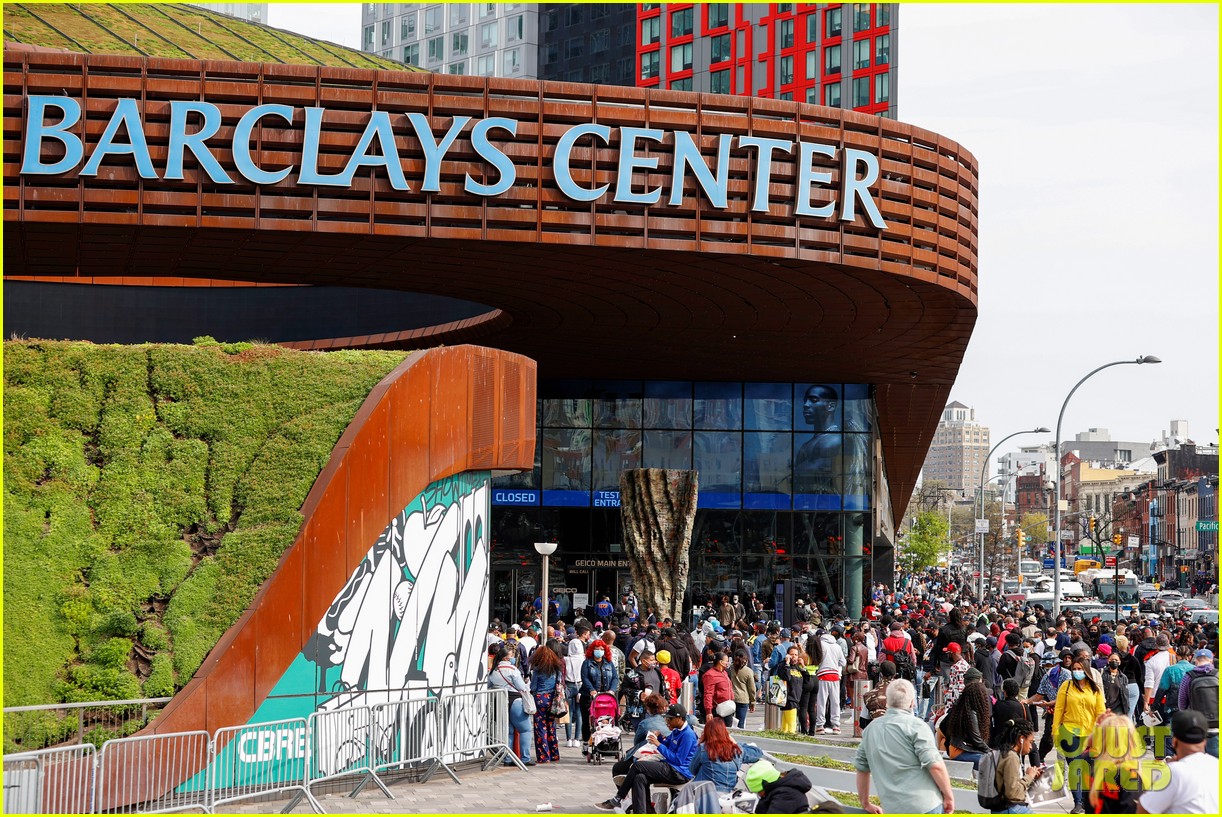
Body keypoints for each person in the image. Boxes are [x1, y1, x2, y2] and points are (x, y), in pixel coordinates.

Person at [854, 678, 957, 814]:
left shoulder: (870, 730)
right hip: (926, 805)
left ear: (887, 701)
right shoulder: (917, 726)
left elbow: (862, 768)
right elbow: (935, 765)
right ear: (912, 703)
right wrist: (949, 796)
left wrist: (865, 802)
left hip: (892, 808)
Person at [596, 703, 698, 813]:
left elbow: (678, 760)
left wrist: (658, 744)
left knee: (638, 765)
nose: (667, 722)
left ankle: (618, 798)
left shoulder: (687, 735)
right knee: (639, 778)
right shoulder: (676, 730)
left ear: (679, 719)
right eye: (666, 718)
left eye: (670, 719)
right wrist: (659, 737)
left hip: (679, 772)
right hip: (670, 767)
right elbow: (667, 745)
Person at [1136, 710, 1219, 813]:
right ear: (1204, 741)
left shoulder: (1174, 772)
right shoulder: (1216, 765)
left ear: (1174, 741)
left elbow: (1144, 810)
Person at [1053, 657, 1106, 813]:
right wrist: (1055, 730)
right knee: (1075, 767)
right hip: (1070, 732)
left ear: (1086, 670)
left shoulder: (1094, 689)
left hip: (1090, 735)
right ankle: (1078, 802)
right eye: (1074, 669)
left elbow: (1100, 712)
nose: (1077, 672)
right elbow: (1058, 709)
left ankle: (1086, 800)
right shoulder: (1066, 686)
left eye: (1079, 669)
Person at [1086, 713, 1147, 814]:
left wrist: (1099, 727)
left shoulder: (1091, 764)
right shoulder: (1129, 776)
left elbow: (1086, 748)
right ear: (1131, 740)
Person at [488, 643, 535, 766]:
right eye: (511, 656)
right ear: (506, 658)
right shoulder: (513, 670)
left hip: (500, 702)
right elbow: (521, 687)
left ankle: (507, 758)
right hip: (515, 701)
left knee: (508, 731)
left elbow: (489, 686)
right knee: (525, 730)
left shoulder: (493, 671)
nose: (514, 657)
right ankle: (525, 758)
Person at [610, 693, 670, 785]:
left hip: (651, 757)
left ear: (648, 709)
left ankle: (624, 796)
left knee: (617, 768)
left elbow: (636, 742)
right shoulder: (669, 721)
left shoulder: (645, 723)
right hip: (666, 756)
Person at [940, 670, 992, 770]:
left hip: (959, 749)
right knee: (993, 762)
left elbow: (942, 726)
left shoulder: (961, 706)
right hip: (961, 751)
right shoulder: (971, 713)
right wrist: (992, 752)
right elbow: (977, 739)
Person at [989, 717, 1043, 813]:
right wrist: (1028, 777)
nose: (1031, 747)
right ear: (1021, 739)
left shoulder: (1003, 752)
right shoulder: (1011, 757)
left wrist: (1031, 776)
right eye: (1030, 742)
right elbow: (1012, 793)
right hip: (1010, 808)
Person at [528, 638, 566, 763]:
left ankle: (544, 756)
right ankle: (554, 754)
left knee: (540, 727)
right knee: (551, 726)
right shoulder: (557, 667)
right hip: (553, 699)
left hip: (540, 698)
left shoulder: (538, 668)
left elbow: (533, 687)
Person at [1177, 648, 1218, 758]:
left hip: (1196, 725)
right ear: (1211, 661)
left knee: (1196, 760)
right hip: (1216, 725)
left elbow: (1181, 702)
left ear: (1196, 661)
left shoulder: (1189, 676)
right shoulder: (1218, 675)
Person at [688, 717, 746, 793]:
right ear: (725, 732)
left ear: (707, 732)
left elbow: (692, 769)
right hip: (729, 791)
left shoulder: (704, 748)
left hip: (706, 792)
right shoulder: (736, 749)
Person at [581, 638, 619, 750]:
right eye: (597, 649)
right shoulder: (587, 663)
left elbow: (615, 678)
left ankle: (604, 744)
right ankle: (586, 742)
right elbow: (585, 678)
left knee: (605, 721)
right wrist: (591, 690)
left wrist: (612, 690)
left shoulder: (609, 663)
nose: (599, 651)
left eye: (601, 649)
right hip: (589, 697)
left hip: (606, 698)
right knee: (587, 721)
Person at [748, 760, 816, 814]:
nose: (759, 795)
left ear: (766, 785)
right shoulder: (778, 791)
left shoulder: (785, 794)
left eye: (759, 791)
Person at [564, 623, 593, 747]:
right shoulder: (584, 659)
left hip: (568, 686)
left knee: (568, 713)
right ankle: (577, 739)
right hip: (581, 686)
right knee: (580, 713)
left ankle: (568, 739)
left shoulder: (566, 659)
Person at [813, 629, 846, 734]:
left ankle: (820, 725)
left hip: (823, 674)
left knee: (822, 701)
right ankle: (836, 725)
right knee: (835, 702)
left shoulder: (820, 645)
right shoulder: (837, 646)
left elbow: (816, 660)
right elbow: (843, 662)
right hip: (835, 675)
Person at [778, 645, 808, 734]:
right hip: (788, 698)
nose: (794, 656)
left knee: (786, 727)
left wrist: (803, 667)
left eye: (796, 654)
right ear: (787, 655)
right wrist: (787, 664)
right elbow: (787, 677)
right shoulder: (783, 666)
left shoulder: (797, 667)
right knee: (791, 726)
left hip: (797, 698)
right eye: (792, 654)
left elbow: (807, 680)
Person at [702, 650, 734, 728]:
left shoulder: (724, 672)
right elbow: (708, 694)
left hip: (728, 707)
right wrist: (709, 711)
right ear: (720, 662)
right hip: (718, 709)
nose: (728, 663)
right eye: (726, 661)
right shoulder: (710, 675)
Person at [860, 660, 895, 731]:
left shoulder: (870, 695)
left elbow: (863, 722)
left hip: (877, 734)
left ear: (881, 674)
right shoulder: (903, 694)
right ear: (895, 675)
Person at [1101, 646, 1132, 716]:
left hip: (1118, 709)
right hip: (1104, 707)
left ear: (1120, 662)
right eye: (1112, 659)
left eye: (1116, 660)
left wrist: (1126, 711)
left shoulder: (1123, 677)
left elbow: (1125, 696)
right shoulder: (1101, 673)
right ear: (1108, 661)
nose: (1114, 661)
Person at [730, 650, 757, 729]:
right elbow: (752, 688)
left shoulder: (729, 669)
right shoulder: (748, 671)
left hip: (731, 698)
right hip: (743, 699)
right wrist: (753, 702)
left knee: (729, 723)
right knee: (740, 724)